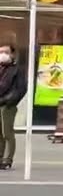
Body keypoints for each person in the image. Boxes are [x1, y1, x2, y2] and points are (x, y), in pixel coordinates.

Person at [0, 43, 27, 171]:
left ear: (12, 54)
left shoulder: (17, 69)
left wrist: (11, 101)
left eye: (5, 52)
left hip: (7, 105)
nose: (2, 55)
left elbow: (21, 88)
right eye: (0, 52)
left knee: (7, 132)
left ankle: (7, 159)